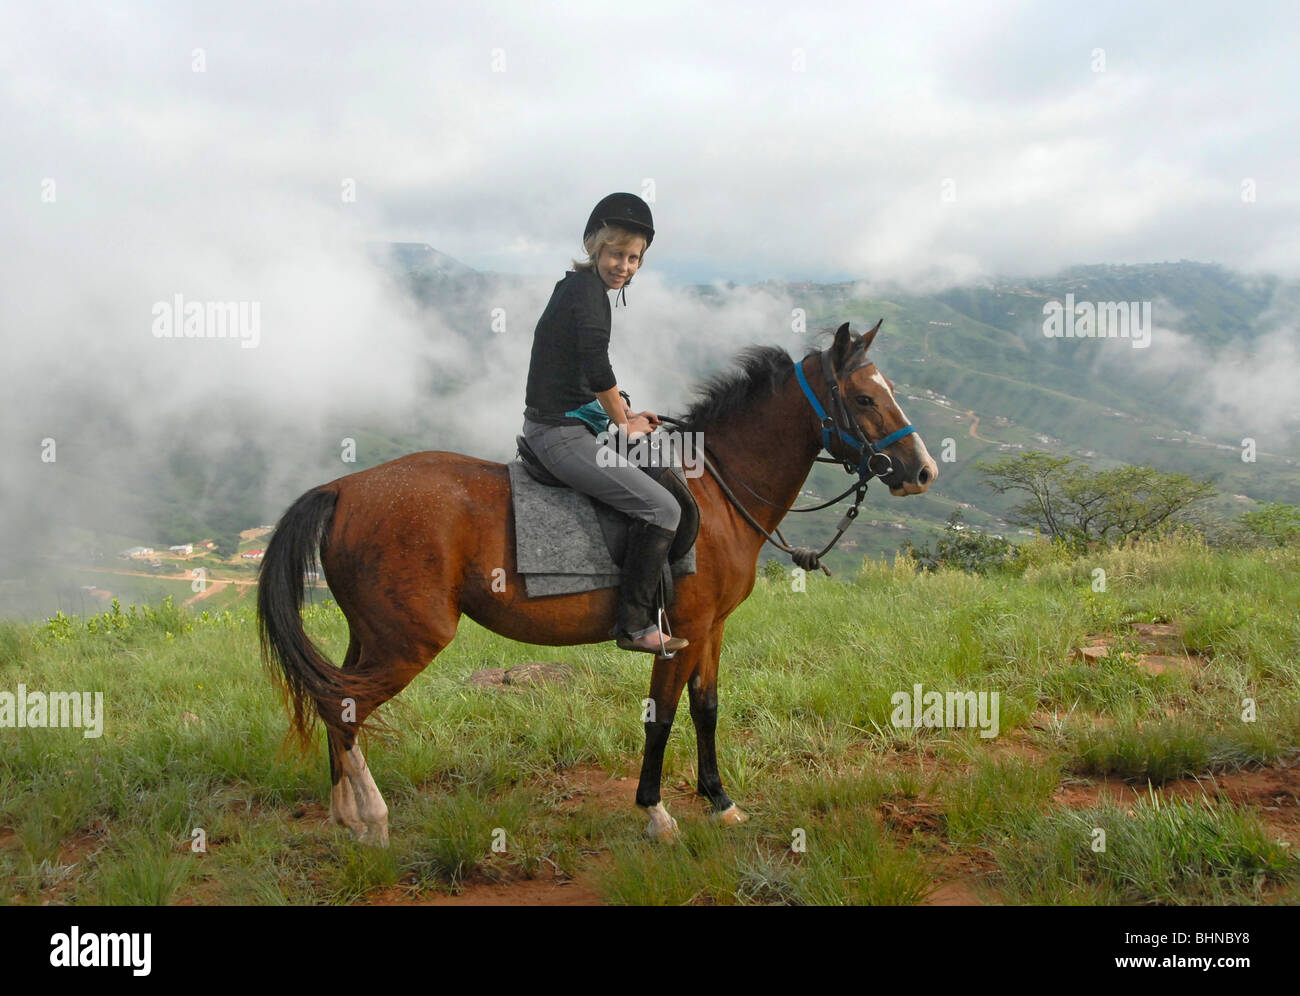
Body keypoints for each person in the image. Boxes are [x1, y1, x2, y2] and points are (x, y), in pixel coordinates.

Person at [521, 192, 688, 655]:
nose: (625, 266)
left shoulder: (578, 288)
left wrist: (629, 414)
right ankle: (635, 626)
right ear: (596, 248)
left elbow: (579, 374)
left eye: (635, 258)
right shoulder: (588, 295)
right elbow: (596, 368)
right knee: (663, 509)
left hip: (569, 421)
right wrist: (624, 426)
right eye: (617, 254)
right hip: (559, 434)